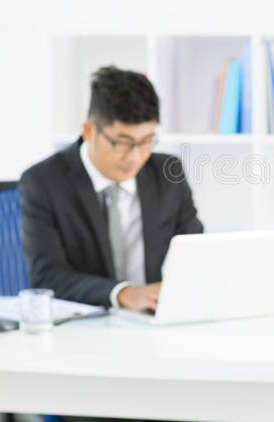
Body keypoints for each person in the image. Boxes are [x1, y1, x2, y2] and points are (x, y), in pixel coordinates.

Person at [20, 65, 203, 311]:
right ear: (89, 130)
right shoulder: (44, 182)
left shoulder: (168, 173)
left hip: (154, 322)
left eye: (146, 141)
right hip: (85, 327)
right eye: (122, 142)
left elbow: (195, 255)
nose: (135, 156)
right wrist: (122, 294)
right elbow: (47, 277)